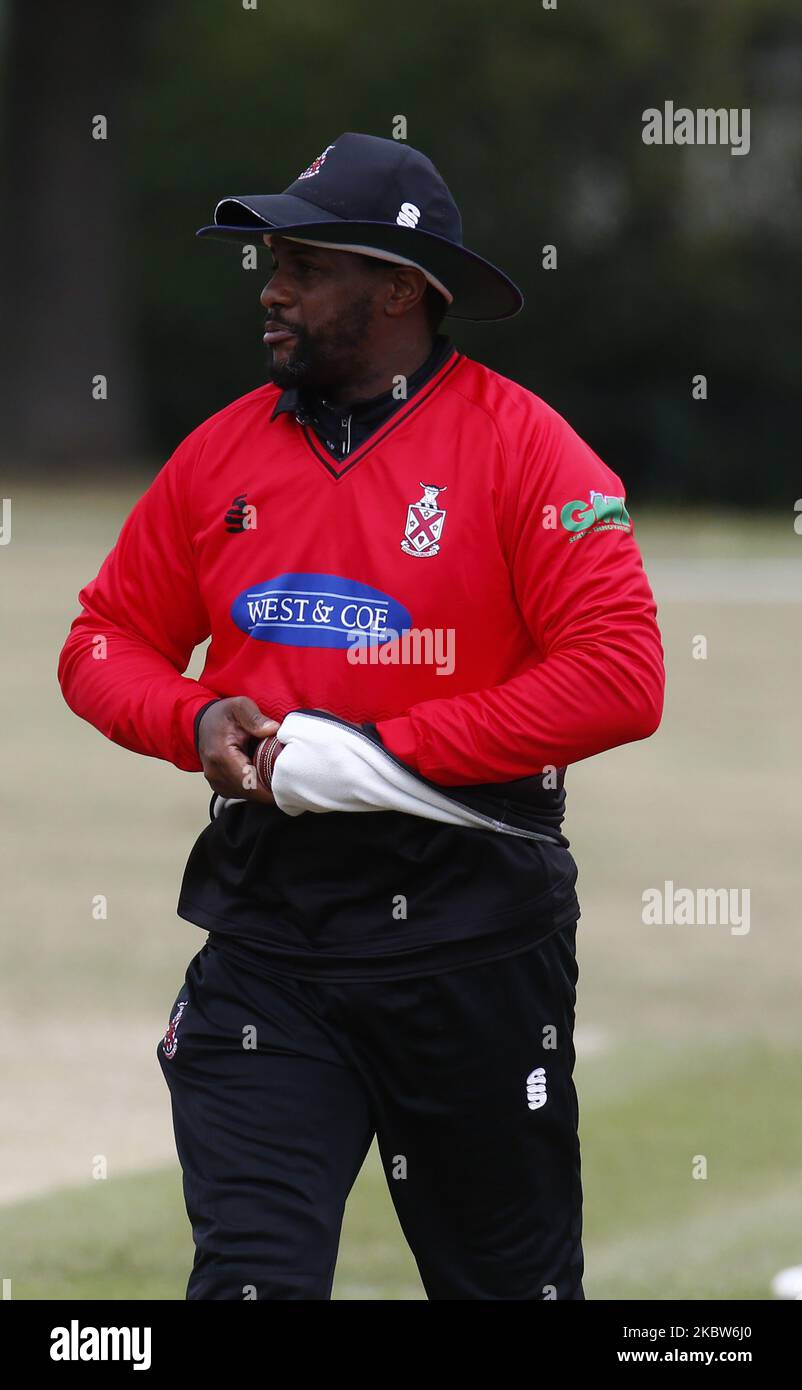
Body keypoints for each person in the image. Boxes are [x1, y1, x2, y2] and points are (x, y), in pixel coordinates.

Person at [58, 132, 665, 1300]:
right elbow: (101, 642)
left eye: (302, 264)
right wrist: (193, 720)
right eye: (269, 263)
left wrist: (378, 755)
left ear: (400, 289)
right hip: (269, 942)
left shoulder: (527, 450)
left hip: (475, 944)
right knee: (253, 1281)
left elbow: (621, 675)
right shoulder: (218, 454)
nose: (272, 291)